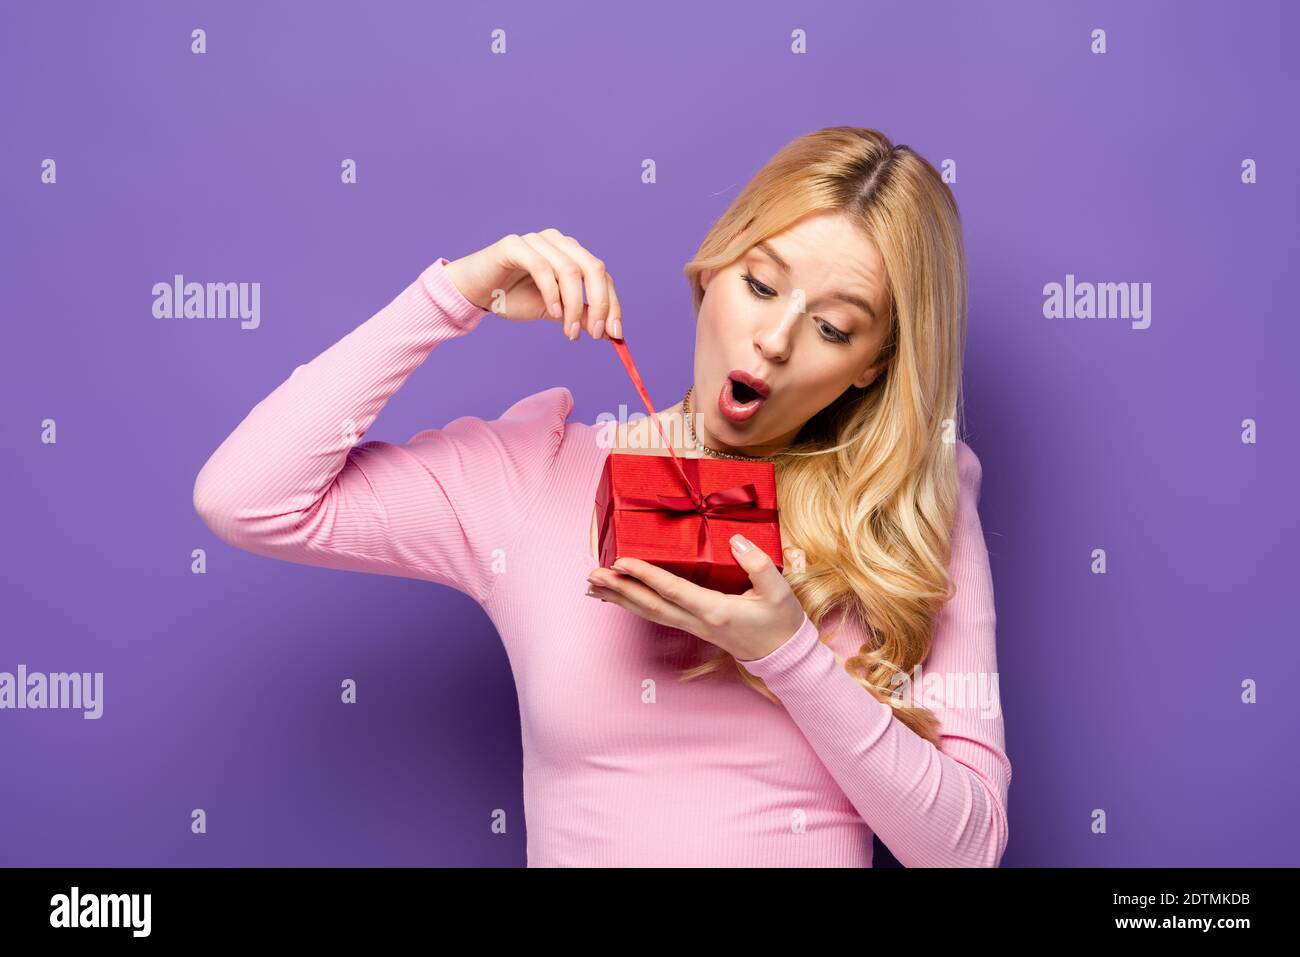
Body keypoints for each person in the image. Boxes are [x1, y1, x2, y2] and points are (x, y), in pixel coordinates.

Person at [193, 126, 1011, 867]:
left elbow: (966, 849)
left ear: (872, 364)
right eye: (761, 285)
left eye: (834, 327)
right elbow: (245, 497)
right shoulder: (537, 474)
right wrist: (451, 297)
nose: (775, 339)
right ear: (716, 267)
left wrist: (786, 650)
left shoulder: (908, 506)